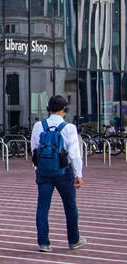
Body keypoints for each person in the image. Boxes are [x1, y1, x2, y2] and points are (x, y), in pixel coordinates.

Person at [31, 95, 86, 253]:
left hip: (43, 171)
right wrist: (78, 174)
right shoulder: (69, 128)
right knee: (70, 206)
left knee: (42, 207)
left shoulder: (38, 126)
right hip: (64, 171)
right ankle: (73, 240)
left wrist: (38, 168)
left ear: (49, 109)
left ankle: (44, 242)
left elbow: (34, 149)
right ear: (64, 109)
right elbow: (75, 154)